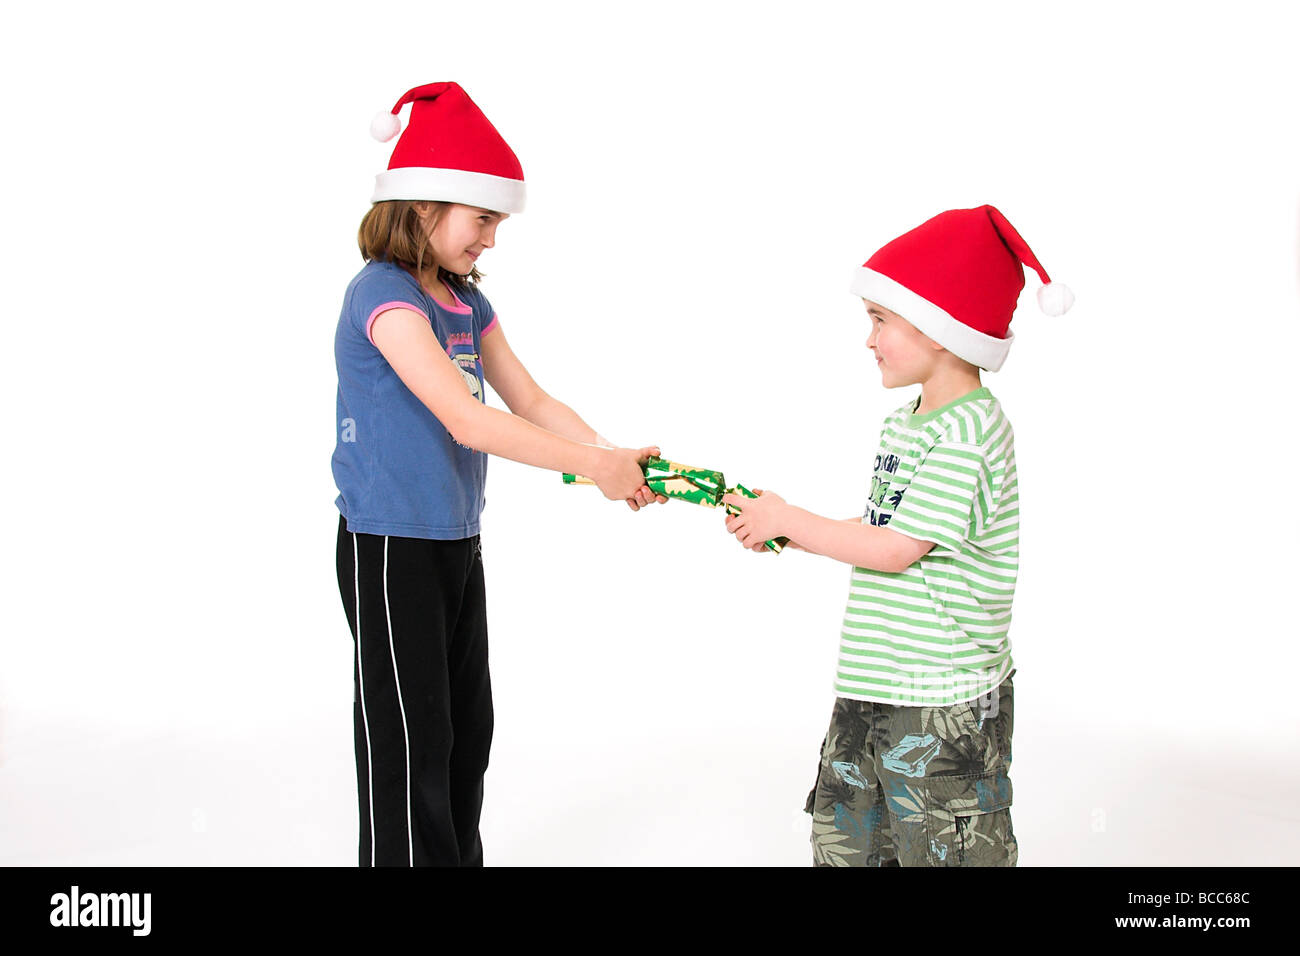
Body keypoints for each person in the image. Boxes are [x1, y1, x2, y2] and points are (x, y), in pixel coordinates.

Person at [332, 82, 666, 867]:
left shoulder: (467, 303)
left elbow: (532, 400)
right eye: (483, 219)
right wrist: (594, 468)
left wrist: (612, 458)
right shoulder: (380, 294)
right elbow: (468, 418)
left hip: (455, 538)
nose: (491, 239)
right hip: (390, 544)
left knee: (462, 732)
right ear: (423, 206)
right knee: (409, 741)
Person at [721, 205, 1072, 866]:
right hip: (876, 682)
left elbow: (895, 551)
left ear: (941, 327)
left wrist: (790, 521)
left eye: (880, 320)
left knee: (945, 846)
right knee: (852, 838)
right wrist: (791, 528)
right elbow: (886, 529)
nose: (868, 339)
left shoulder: (970, 430)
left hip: (943, 698)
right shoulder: (905, 423)